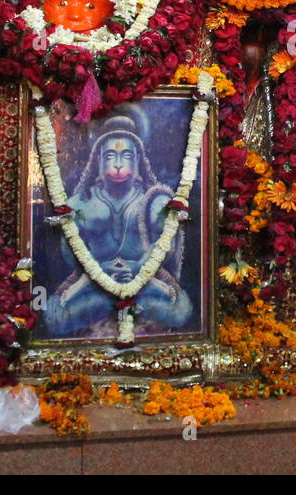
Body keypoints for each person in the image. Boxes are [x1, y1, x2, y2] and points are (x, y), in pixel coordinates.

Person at [43, 114, 192, 338]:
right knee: (53, 317)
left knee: (182, 311)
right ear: (98, 162)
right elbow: (69, 255)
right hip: (92, 280)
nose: (118, 164)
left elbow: (165, 249)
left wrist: (138, 269)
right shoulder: (79, 203)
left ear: (139, 161)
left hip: (146, 281)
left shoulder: (154, 201)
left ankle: (116, 307)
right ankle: (118, 308)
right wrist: (99, 271)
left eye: (127, 156)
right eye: (110, 156)